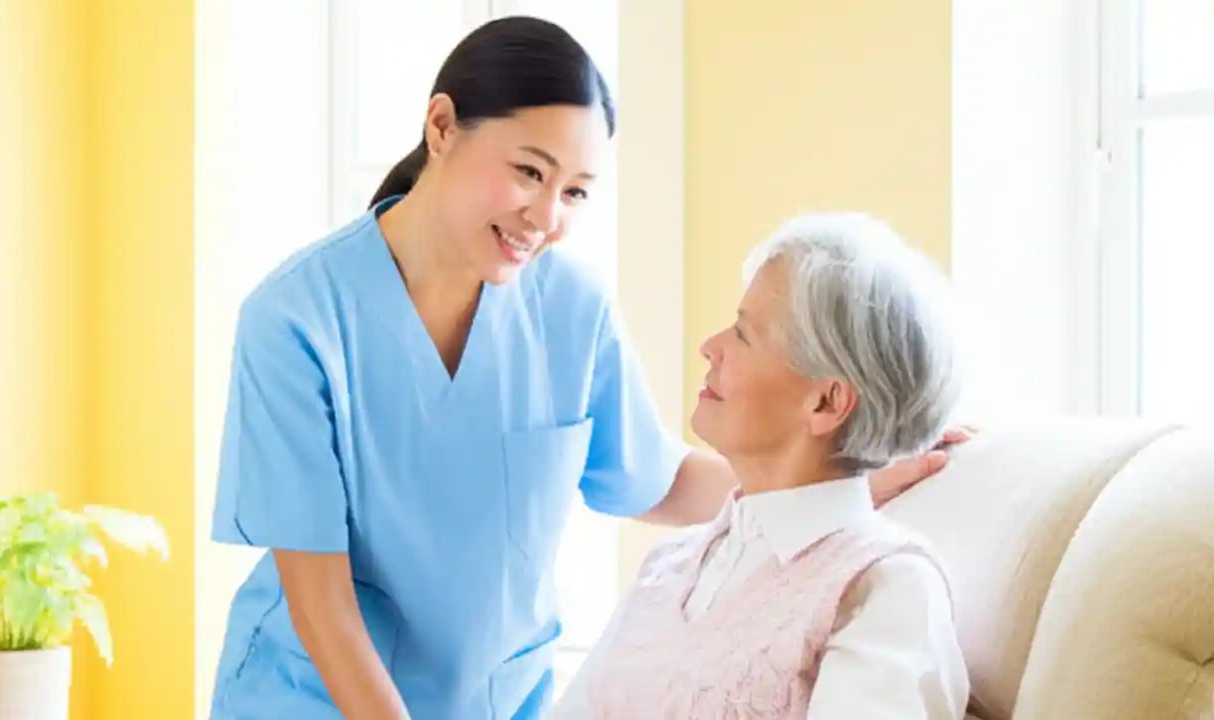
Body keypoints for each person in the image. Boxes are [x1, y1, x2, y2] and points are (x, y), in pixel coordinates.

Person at [207, 16, 964, 720]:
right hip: (313, 699)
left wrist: (841, 478)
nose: (546, 217)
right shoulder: (296, 321)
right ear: (441, 128)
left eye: (573, 192)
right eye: (529, 173)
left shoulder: (571, 308)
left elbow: (657, 481)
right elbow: (321, 599)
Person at [552, 213, 970, 719]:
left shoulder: (884, 591)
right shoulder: (670, 566)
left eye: (745, 335)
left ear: (825, 403)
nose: (711, 347)